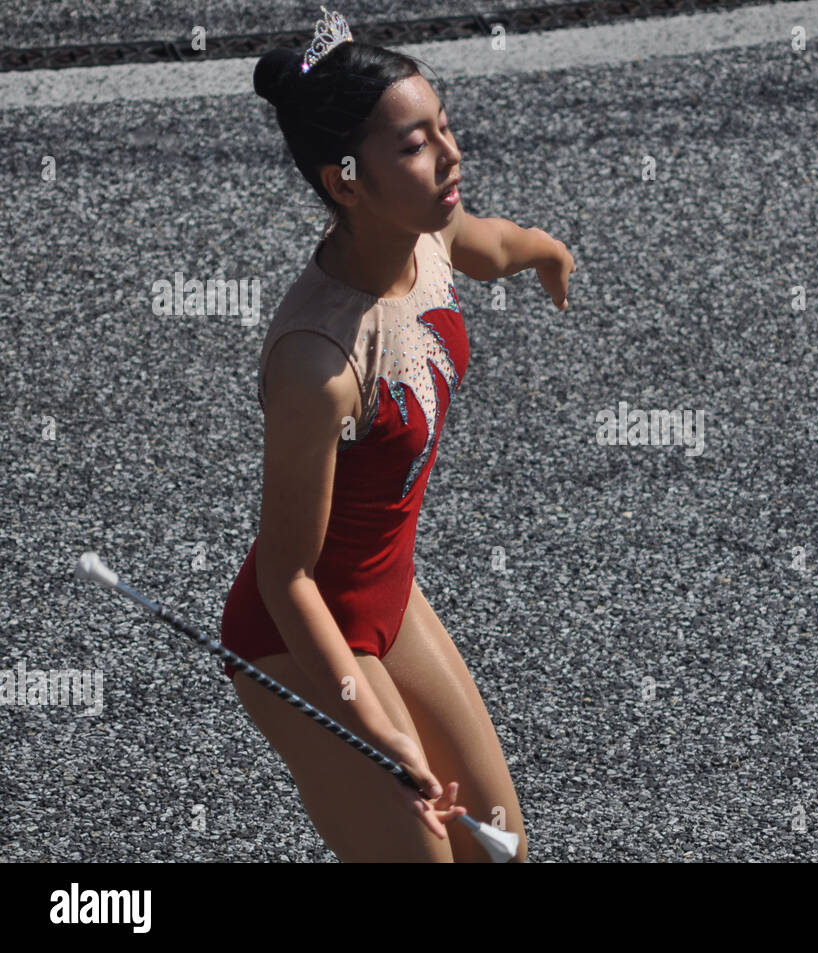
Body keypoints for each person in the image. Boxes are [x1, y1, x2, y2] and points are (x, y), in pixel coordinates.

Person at [219, 8, 575, 862]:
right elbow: (287, 573)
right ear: (345, 182)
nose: (450, 155)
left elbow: (483, 245)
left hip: (388, 596)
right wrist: (379, 728)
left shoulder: (424, 232)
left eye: (444, 126)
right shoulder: (319, 361)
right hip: (297, 635)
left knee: (502, 848)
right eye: (415, 145)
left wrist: (543, 250)